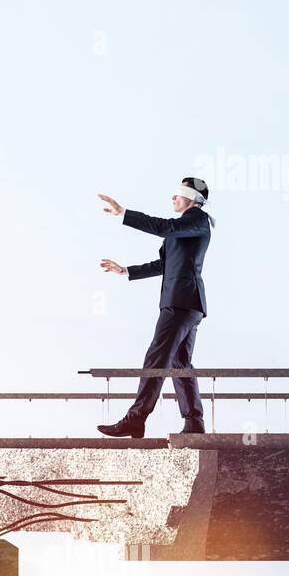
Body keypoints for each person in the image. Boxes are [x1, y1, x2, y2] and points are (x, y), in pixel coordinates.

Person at [94, 178, 214, 437]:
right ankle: (194, 423)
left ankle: (136, 418)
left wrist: (124, 213)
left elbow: (163, 227)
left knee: (156, 358)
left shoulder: (197, 220)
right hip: (184, 302)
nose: (172, 198)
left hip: (181, 302)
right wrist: (126, 271)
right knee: (180, 363)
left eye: (177, 194)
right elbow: (163, 264)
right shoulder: (182, 228)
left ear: (191, 199)